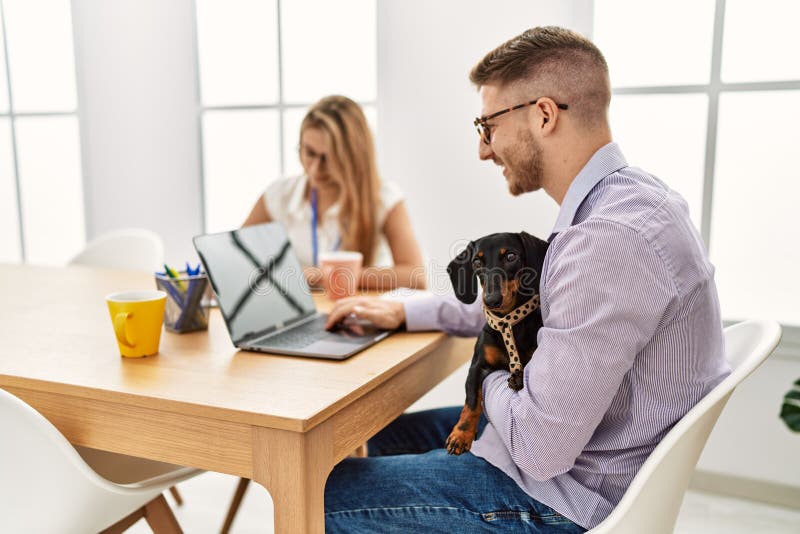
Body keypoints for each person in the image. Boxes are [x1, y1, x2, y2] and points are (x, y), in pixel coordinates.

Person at [322, 26, 731, 532]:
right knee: (362, 438)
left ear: (543, 115)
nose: (483, 149)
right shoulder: (629, 203)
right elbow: (536, 306)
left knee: (318, 491)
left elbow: (539, 448)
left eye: (487, 125)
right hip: (577, 457)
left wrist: (487, 373)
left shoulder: (608, 241)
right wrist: (405, 310)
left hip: (559, 497)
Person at [242, 95, 426, 290]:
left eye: (329, 158)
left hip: (357, 307)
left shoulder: (384, 197)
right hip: (304, 309)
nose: (316, 169)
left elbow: (416, 277)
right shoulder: (280, 195)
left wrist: (333, 276)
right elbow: (236, 260)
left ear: (354, 156)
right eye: (310, 153)